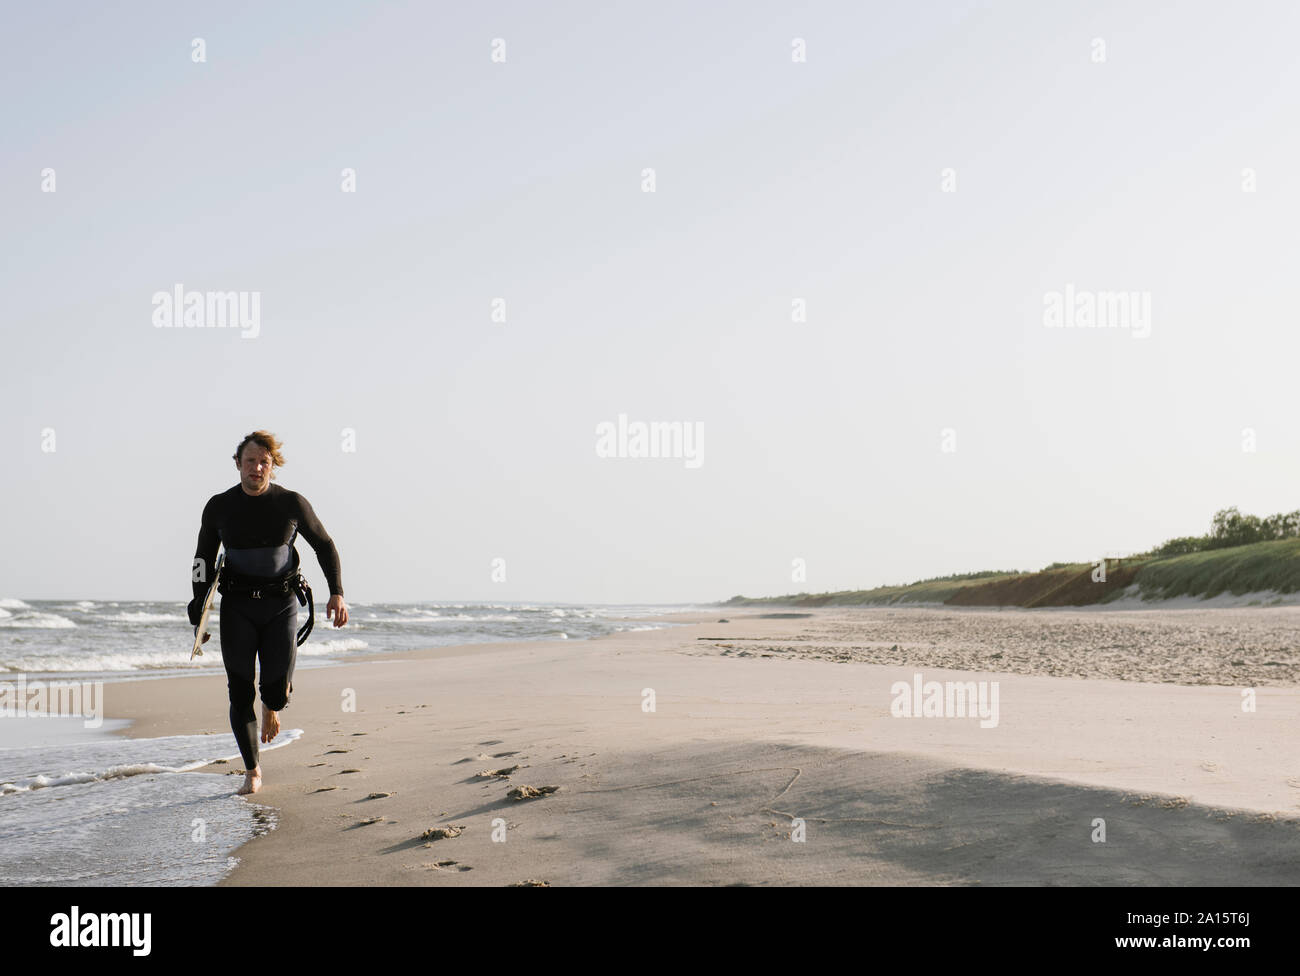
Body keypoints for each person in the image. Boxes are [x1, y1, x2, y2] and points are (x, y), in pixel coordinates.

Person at [189, 430, 348, 795]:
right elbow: (202, 559)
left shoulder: (291, 503)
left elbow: (324, 545)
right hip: (237, 608)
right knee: (239, 690)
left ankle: (273, 705)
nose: (256, 468)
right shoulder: (219, 507)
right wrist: (198, 604)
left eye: (264, 461)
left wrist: (336, 593)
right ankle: (252, 769)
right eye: (250, 461)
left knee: (275, 689)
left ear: (273, 466)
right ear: (238, 464)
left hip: (281, 606)